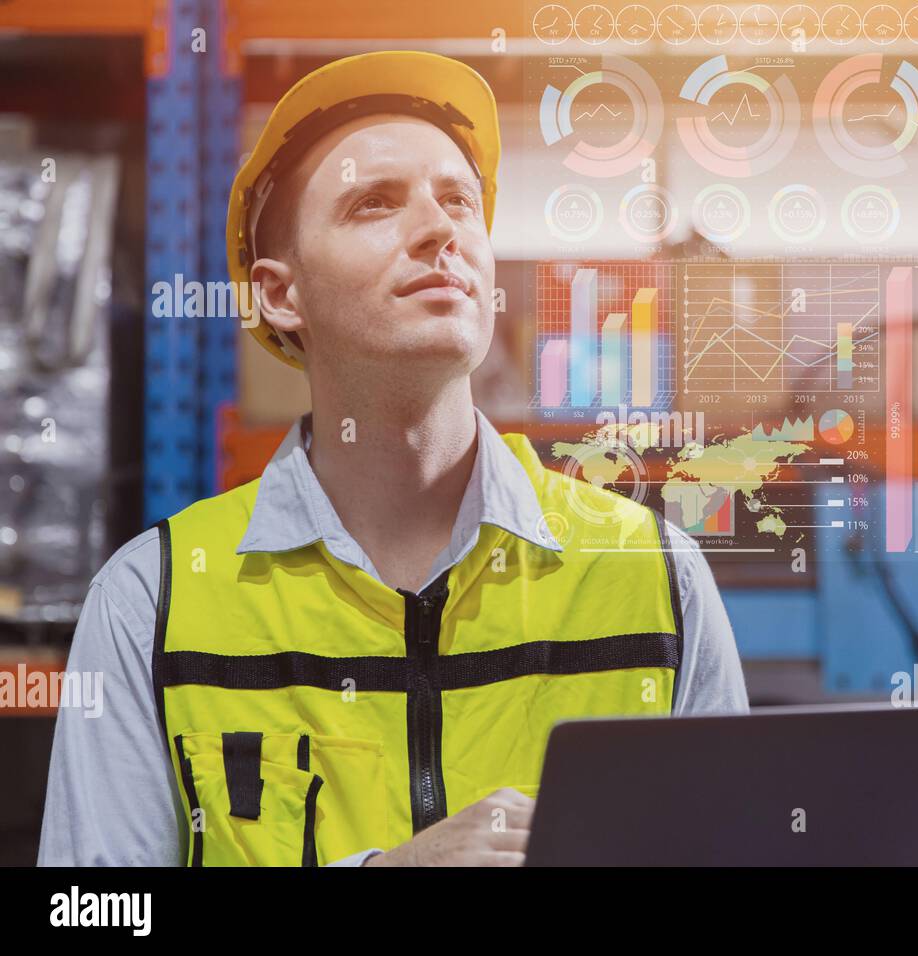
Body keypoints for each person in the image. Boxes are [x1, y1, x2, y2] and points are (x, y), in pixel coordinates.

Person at [38, 52, 747, 868]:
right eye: (375, 203)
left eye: (459, 202)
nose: (441, 229)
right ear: (280, 293)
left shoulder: (654, 577)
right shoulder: (152, 605)